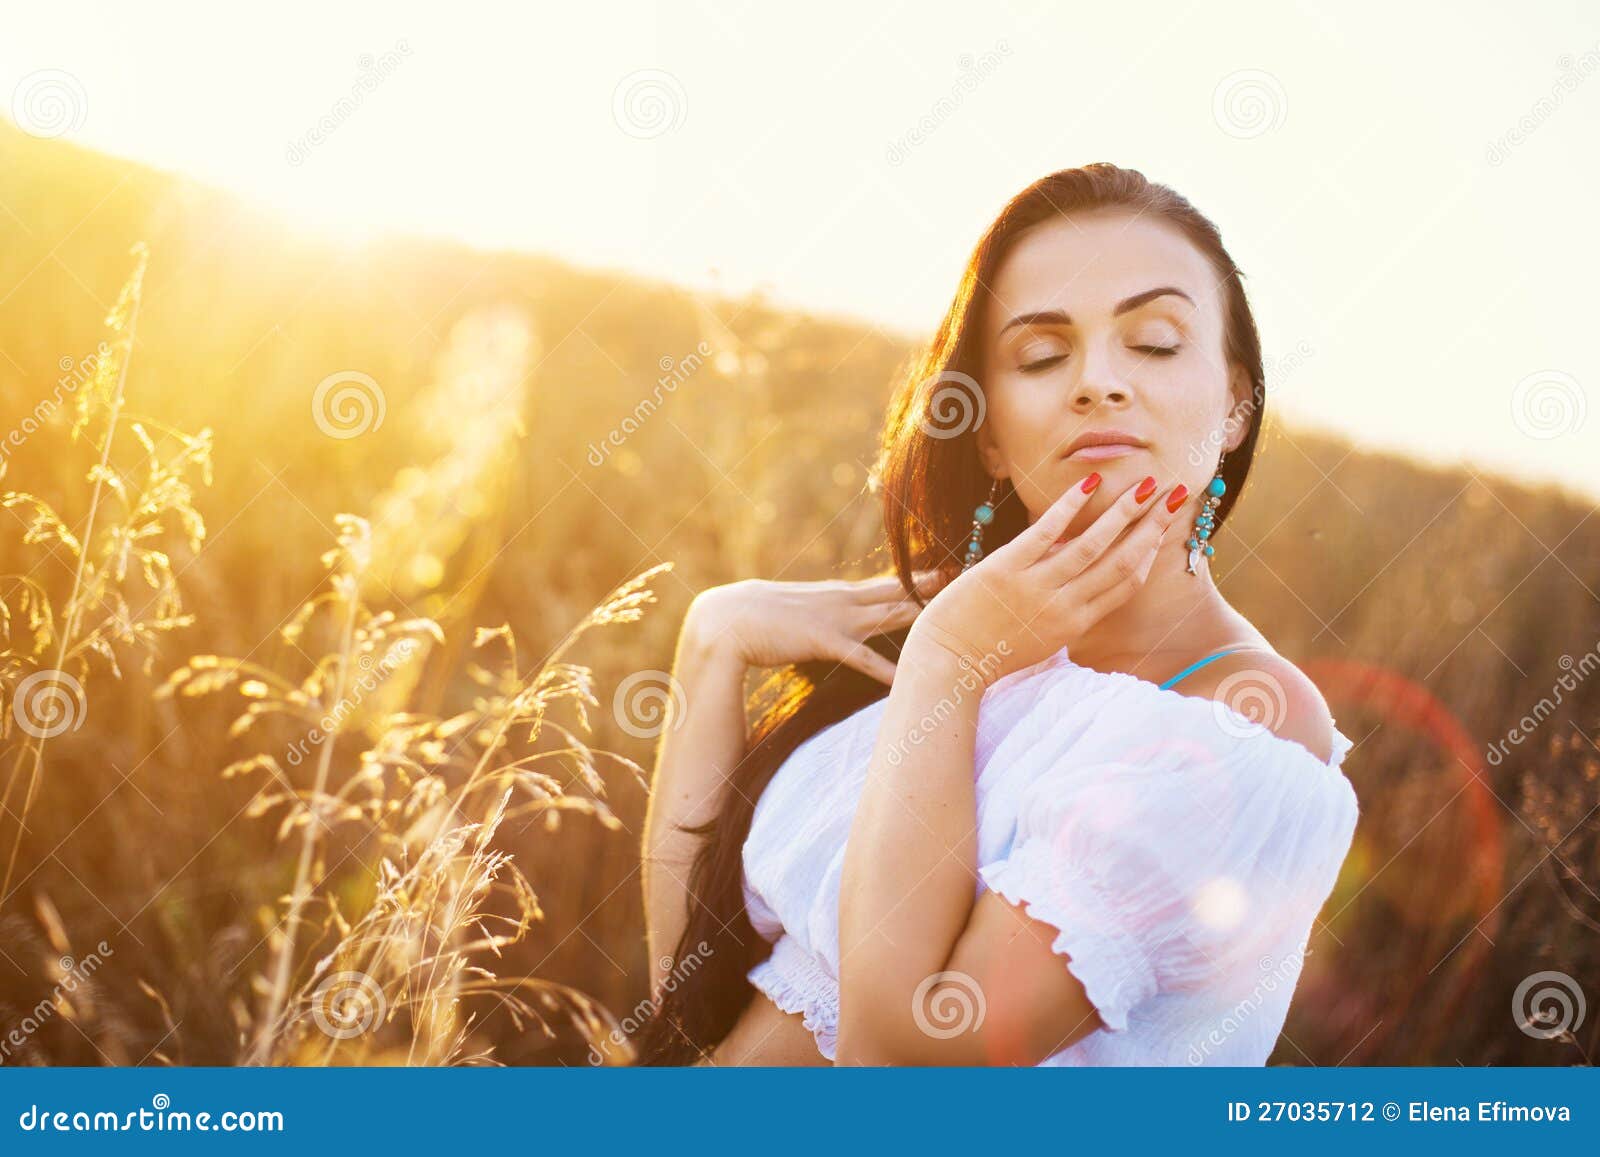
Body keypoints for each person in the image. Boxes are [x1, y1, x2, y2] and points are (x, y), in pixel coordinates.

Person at [636, 163, 1359, 1066]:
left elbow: (897, 1062)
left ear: (1237, 406)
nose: (1097, 382)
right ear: (987, 434)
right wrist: (715, 639)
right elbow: (685, 999)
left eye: (1157, 341)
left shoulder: (1241, 725)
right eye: (1042, 355)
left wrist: (952, 659)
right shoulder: (948, 632)